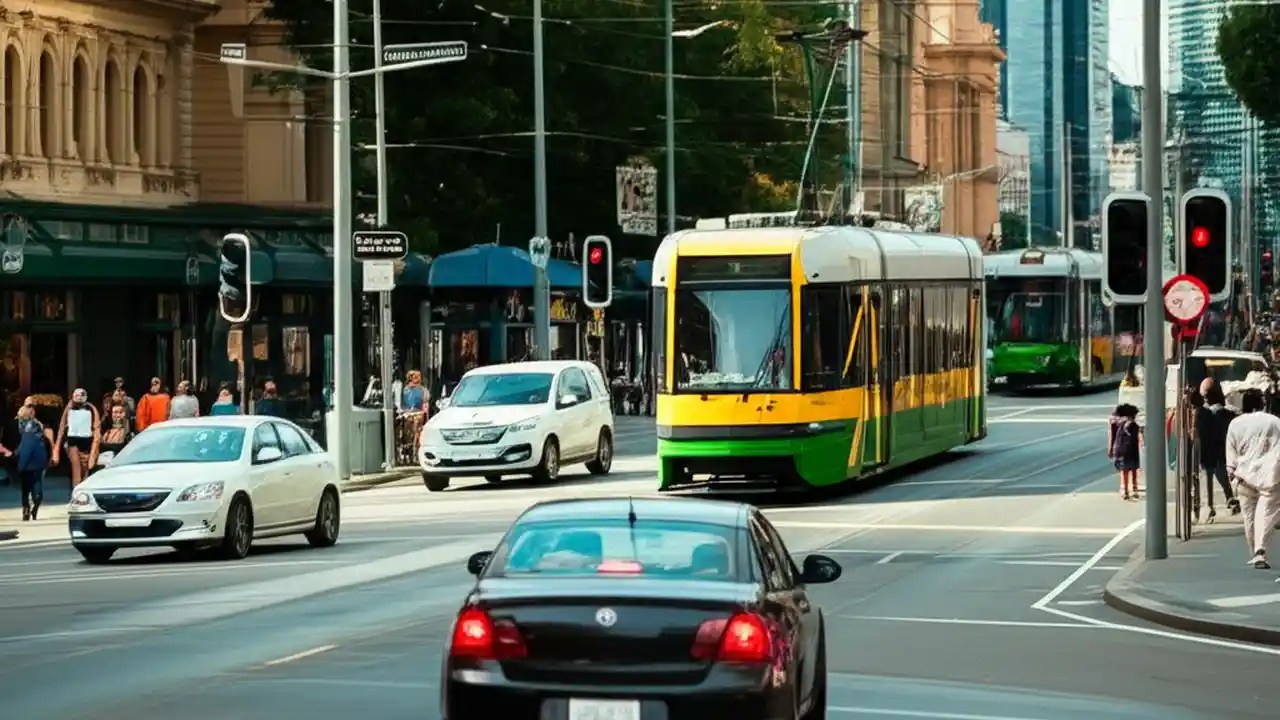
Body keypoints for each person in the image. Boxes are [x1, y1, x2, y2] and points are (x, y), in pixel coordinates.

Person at [1224, 389, 1280, 570]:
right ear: (1262, 404)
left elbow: (1231, 451)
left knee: (1249, 516)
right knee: (1266, 513)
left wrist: (1231, 473)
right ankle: (1260, 550)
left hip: (1243, 476)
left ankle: (1254, 551)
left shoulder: (1235, 424)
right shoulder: (1274, 422)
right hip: (1269, 475)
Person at [1195, 379, 1240, 522]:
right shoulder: (1227, 413)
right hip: (1222, 449)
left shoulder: (1201, 413)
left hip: (1207, 450)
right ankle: (1229, 498)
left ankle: (1209, 505)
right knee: (1221, 473)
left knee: (1208, 476)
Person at [13, 404, 55, 521]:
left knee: (26, 487)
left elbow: (23, 444)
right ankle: (34, 506)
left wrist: (14, 454)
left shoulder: (23, 426)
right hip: (38, 460)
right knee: (36, 485)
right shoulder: (38, 425)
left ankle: (26, 508)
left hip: (27, 460)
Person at [54, 388, 101, 489]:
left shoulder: (91, 408)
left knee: (86, 467)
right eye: (77, 395)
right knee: (76, 467)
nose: (79, 397)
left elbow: (97, 427)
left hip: (87, 441)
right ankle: (77, 488)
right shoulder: (69, 408)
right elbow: (62, 427)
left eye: (81, 395)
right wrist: (56, 449)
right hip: (72, 441)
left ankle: (83, 488)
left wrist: (94, 451)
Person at [1108, 403, 1142, 500]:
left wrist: (1110, 449)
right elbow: (1138, 438)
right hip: (1133, 449)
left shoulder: (1115, 423)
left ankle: (1126, 491)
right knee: (1134, 469)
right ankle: (1135, 489)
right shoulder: (1134, 424)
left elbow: (1112, 436)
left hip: (1120, 448)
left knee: (1124, 470)